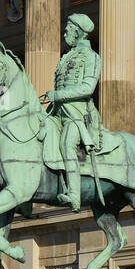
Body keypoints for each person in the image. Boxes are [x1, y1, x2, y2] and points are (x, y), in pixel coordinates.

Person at [45, 14, 101, 213]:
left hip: (77, 113)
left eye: (68, 28)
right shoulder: (67, 56)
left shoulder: (92, 57)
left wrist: (58, 95)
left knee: (66, 144)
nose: (65, 32)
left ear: (78, 31)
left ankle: (75, 196)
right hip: (57, 112)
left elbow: (88, 88)